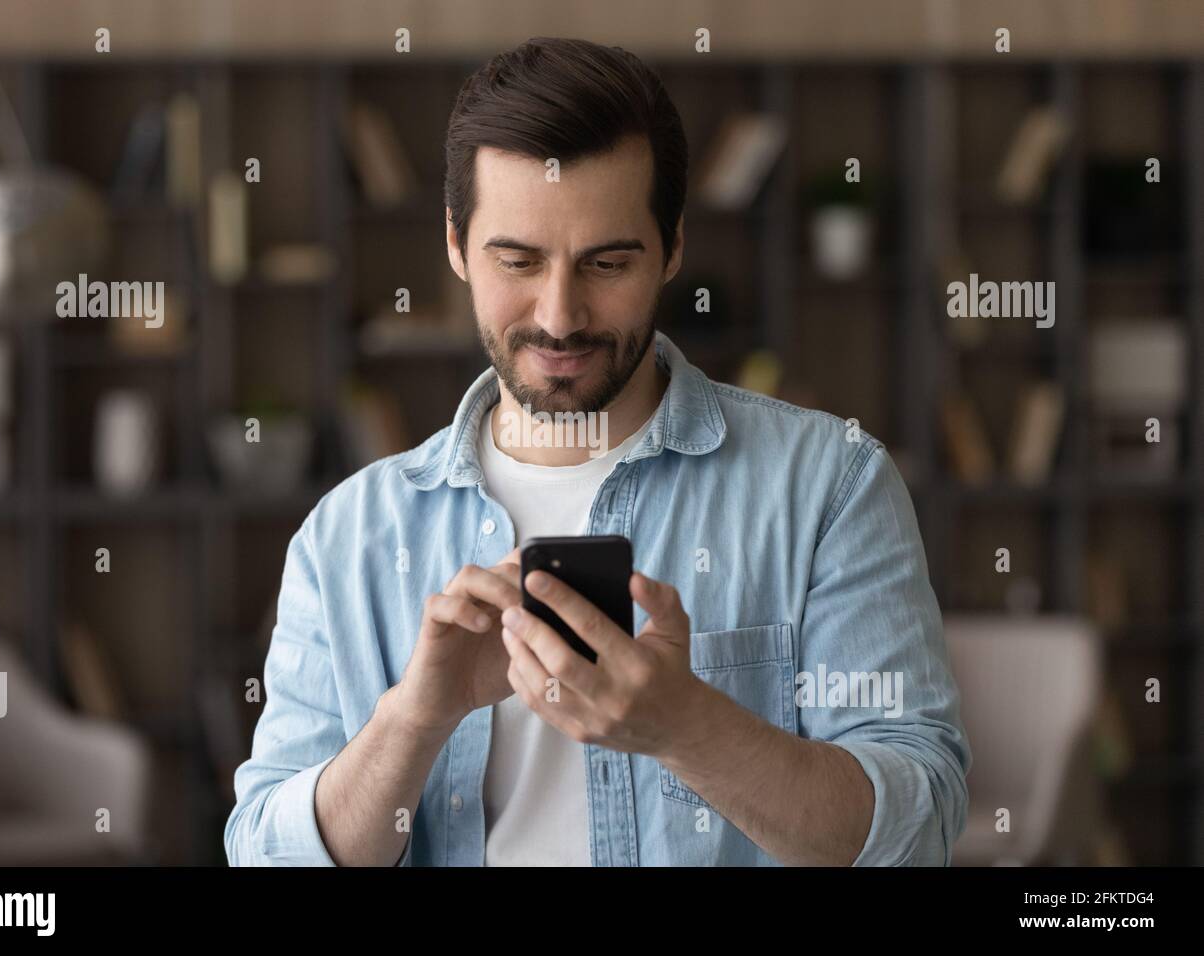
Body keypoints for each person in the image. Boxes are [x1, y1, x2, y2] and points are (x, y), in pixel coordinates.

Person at [225, 36, 970, 867]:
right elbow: (265, 854)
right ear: (454, 246)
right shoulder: (347, 535)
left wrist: (687, 725)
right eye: (517, 260)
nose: (560, 316)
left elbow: (921, 826)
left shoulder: (831, 485)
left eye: (607, 262)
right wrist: (414, 720)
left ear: (673, 248)